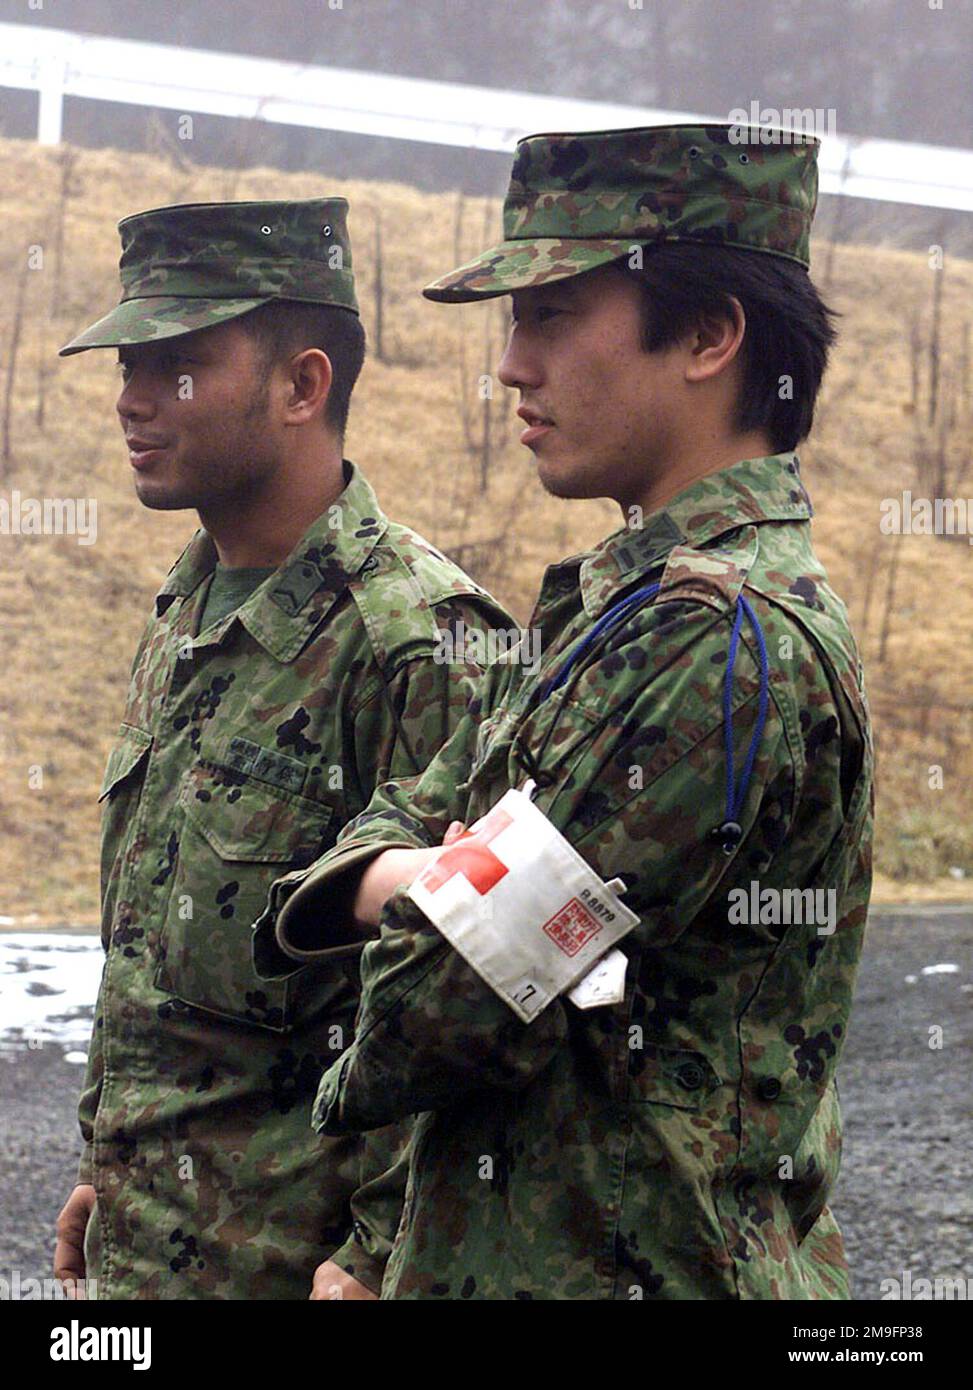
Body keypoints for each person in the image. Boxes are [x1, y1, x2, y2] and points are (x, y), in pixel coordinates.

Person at [256, 125, 875, 1300]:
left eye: (550, 316)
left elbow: (446, 1004)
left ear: (706, 335)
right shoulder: (618, 612)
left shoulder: (709, 644)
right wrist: (422, 877)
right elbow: (395, 838)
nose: (509, 367)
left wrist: (395, 884)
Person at [52, 196, 514, 1299]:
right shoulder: (188, 609)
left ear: (302, 385)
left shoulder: (424, 642)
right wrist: (107, 1175)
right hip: (148, 1253)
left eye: (175, 366)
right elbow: (155, 959)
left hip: (293, 1270)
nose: (130, 401)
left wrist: (377, 1254)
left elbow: (469, 995)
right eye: (127, 363)